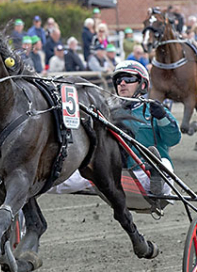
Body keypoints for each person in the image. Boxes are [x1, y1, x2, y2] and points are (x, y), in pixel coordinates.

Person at [53, 60, 180, 195]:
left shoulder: (155, 110)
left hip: (145, 175)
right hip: (114, 175)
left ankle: (156, 181)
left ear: (143, 85)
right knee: (62, 178)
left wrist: (163, 118)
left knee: (165, 164)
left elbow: (173, 140)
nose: (122, 83)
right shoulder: (106, 110)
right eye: (119, 80)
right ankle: (36, 183)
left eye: (128, 79)